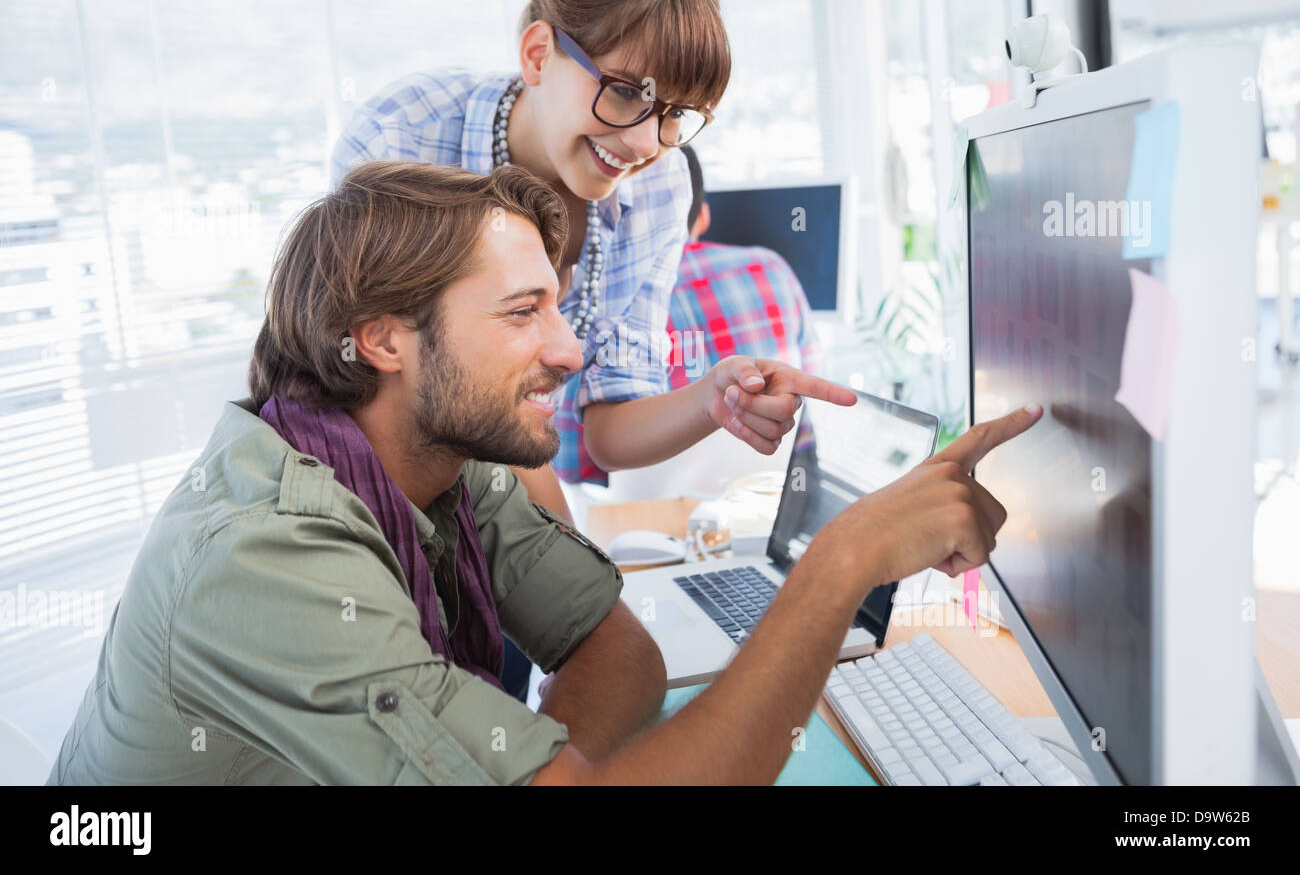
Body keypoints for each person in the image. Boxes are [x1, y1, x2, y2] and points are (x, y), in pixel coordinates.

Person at [46, 161, 1041, 785]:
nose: (569, 350)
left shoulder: (448, 457)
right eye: (523, 312)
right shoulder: (268, 556)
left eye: (557, 306)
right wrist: (841, 561)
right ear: (383, 338)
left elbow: (619, 651)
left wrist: (544, 770)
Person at [331, 0, 818, 519]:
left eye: (676, 115)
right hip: (374, 486)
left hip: (508, 505)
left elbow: (607, 432)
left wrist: (711, 399)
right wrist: (561, 550)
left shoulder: (661, 186)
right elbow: (380, 387)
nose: (644, 143)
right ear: (538, 54)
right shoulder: (405, 133)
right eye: (623, 93)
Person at [559, 144, 827, 485]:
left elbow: (569, 466)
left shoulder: (594, 302)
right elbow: (809, 393)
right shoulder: (772, 268)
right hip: (768, 502)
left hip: (642, 519)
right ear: (702, 217)